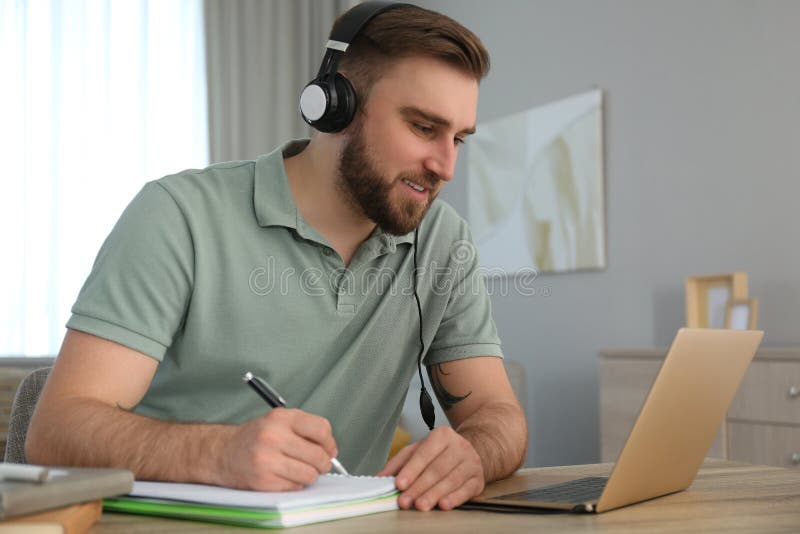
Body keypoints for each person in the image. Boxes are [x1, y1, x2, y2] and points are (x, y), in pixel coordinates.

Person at [26, 2, 527, 512]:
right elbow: (56, 429)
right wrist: (217, 453)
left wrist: (474, 453)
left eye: (459, 139)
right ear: (338, 107)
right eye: (424, 128)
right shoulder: (178, 215)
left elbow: (496, 413)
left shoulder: (443, 242)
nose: (446, 165)